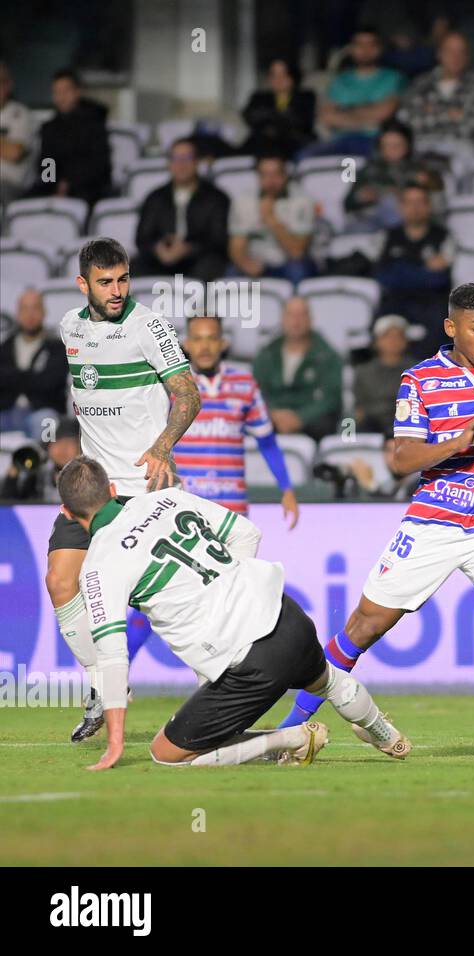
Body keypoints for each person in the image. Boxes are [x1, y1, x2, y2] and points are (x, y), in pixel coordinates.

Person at [275, 282, 474, 733]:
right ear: (452, 328)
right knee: (364, 627)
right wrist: (458, 442)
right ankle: (290, 726)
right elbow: (401, 459)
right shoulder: (420, 380)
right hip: (432, 523)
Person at [56, 456, 408, 770]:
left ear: (67, 513)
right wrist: (235, 591)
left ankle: (292, 739)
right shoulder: (166, 499)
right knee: (327, 680)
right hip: (288, 617)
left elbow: (114, 657)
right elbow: (246, 532)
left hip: (251, 662)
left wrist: (115, 742)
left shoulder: (98, 565)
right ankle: (385, 734)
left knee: (165, 752)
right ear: (113, 488)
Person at [50, 238, 201, 743]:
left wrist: (161, 446)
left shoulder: (149, 326)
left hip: (143, 487)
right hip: (93, 488)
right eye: (105, 282)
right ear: (83, 284)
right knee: (60, 582)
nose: (117, 291)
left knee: (168, 604)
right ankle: (105, 685)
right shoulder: (69, 327)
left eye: (123, 279)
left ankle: (226, 685)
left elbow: (187, 393)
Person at [174, 314, 298, 524]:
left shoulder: (245, 385)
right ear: (187, 344)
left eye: (212, 338)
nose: (205, 347)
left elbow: (267, 443)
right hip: (185, 510)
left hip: (232, 513)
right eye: (198, 339)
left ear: (223, 343)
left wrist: (286, 488)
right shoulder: (172, 386)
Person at [132, 138, 231, 283]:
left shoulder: (216, 198)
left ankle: (200, 306)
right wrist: (158, 248)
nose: (181, 164)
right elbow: (142, 237)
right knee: (132, 269)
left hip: (199, 259)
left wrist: (188, 249)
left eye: (187, 158)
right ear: (168, 163)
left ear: (197, 162)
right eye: (175, 158)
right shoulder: (155, 198)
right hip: (162, 259)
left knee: (210, 266)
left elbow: (218, 239)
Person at [300, 25, 404, 158]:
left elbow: (385, 113)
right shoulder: (339, 81)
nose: (365, 50)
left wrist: (345, 113)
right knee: (304, 158)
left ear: (379, 49)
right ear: (352, 49)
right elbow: (327, 116)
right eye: (360, 45)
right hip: (340, 141)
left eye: (370, 44)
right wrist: (369, 114)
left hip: (376, 141)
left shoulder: (393, 78)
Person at [372, 183, 456, 341]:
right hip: (395, 303)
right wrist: (424, 270)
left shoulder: (443, 237)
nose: (415, 208)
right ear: (401, 206)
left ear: (428, 206)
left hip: (432, 305)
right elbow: (383, 277)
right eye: (409, 202)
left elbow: (439, 280)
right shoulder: (386, 237)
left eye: (420, 202)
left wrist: (400, 269)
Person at [252, 297, 343, 441]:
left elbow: (331, 398)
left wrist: (300, 417)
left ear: (310, 319)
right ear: (282, 319)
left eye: (301, 315)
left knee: (326, 422)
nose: (296, 321)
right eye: (291, 315)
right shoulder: (266, 354)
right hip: (273, 418)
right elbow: (255, 391)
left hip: (312, 423)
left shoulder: (327, 355)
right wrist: (274, 414)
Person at [397, 30, 474, 161]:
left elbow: (469, 125)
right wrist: (453, 114)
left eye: (461, 52)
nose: (456, 57)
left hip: (462, 147)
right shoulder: (420, 83)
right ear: (439, 54)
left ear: (468, 57)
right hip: (423, 147)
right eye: (450, 51)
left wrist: (432, 110)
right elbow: (412, 121)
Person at [227, 154, 318, 283]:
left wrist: (271, 219)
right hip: (256, 261)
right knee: (232, 273)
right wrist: (245, 263)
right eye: (265, 175)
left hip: (288, 262)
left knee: (298, 269)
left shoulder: (303, 201)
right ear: (258, 177)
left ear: (285, 176)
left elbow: (297, 252)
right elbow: (236, 244)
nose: (271, 181)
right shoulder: (244, 200)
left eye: (276, 175)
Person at [343, 120, 440, 233]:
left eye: (397, 145)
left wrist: (427, 183)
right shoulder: (369, 170)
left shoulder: (420, 167)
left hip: (411, 221)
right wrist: (361, 197)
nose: (392, 150)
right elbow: (347, 203)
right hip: (374, 221)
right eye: (387, 145)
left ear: (407, 145)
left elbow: (436, 196)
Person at [30, 69, 111, 205]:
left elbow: (99, 164)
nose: (61, 97)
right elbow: (47, 161)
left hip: (88, 187)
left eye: (66, 91)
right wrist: (55, 185)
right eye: (57, 92)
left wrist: (70, 183)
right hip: (54, 186)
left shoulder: (94, 123)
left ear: (77, 92)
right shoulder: (49, 127)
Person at [0, 289, 67, 438]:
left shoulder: (57, 347)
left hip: (41, 412)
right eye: (25, 308)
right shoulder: (5, 346)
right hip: (6, 412)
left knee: (49, 423)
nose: (30, 314)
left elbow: (50, 382)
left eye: (35, 308)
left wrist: (13, 377)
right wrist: (34, 377)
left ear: (44, 312)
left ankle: (48, 461)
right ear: (17, 313)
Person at [240, 58, 318, 158]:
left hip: (295, 143)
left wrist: (269, 115)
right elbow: (250, 116)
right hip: (262, 142)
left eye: (283, 74)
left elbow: (302, 121)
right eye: (274, 75)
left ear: (293, 76)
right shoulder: (258, 97)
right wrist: (279, 115)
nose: (278, 79)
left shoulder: (306, 96)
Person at [352, 314, 414, 434]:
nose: (393, 341)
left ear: (405, 341)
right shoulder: (363, 372)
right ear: (376, 341)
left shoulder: (418, 369)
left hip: (408, 425)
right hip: (373, 426)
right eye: (387, 336)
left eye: (398, 336)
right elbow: (359, 409)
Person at [0, 60, 35, 205]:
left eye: (1, 82)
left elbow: (14, 153)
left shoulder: (21, 114)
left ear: (8, 85)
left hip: (10, 185)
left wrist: (7, 148)